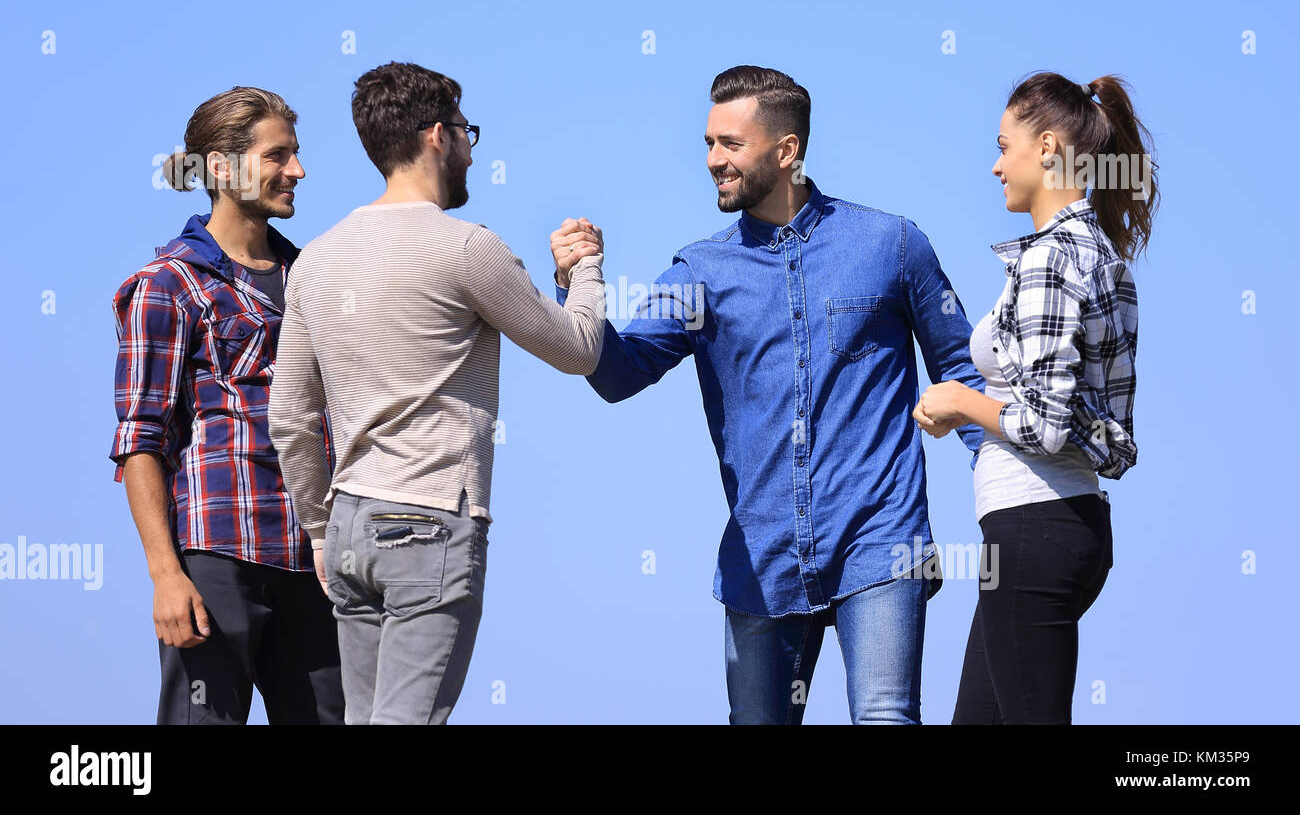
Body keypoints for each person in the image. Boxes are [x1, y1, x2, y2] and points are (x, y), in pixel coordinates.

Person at [553, 65, 986, 724]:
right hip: (761, 561)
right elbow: (618, 373)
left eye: (730, 144)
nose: (711, 161)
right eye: (707, 143)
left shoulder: (893, 244)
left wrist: (1010, 500)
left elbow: (961, 368)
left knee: (886, 716)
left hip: (880, 537)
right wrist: (577, 284)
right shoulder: (698, 272)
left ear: (786, 152)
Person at [268, 61, 606, 725]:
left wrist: (317, 530)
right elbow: (579, 350)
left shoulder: (316, 259)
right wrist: (584, 270)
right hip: (428, 521)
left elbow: (289, 418)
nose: (472, 150)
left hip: (348, 529)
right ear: (435, 135)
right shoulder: (468, 250)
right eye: (466, 131)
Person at [914, 72, 1156, 725]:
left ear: (1047, 147)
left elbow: (1048, 425)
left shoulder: (1050, 261)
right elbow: (1116, 440)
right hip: (1063, 529)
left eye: (1003, 145)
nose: (995, 165)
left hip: (1032, 529)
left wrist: (960, 403)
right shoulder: (1105, 258)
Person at [110, 87, 344, 724]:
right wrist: (166, 575)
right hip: (215, 560)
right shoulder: (167, 286)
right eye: (279, 155)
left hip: (317, 561)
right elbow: (140, 439)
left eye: (295, 155)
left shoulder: (315, 281)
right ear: (221, 167)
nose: (298, 171)